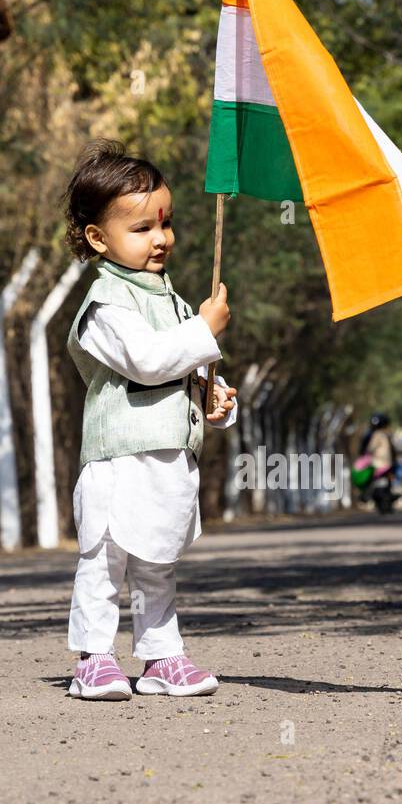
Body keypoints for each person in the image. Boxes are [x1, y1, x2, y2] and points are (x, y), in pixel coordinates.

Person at [62, 139, 238, 699]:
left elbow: (193, 375)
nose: (160, 238)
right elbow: (148, 360)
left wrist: (216, 402)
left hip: (168, 463)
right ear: (98, 238)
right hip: (118, 461)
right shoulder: (106, 305)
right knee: (105, 560)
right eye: (141, 228)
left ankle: (162, 658)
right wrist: (204, 332)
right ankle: (93, 658)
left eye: (165, 224)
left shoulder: (179, 304)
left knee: (157, 562)